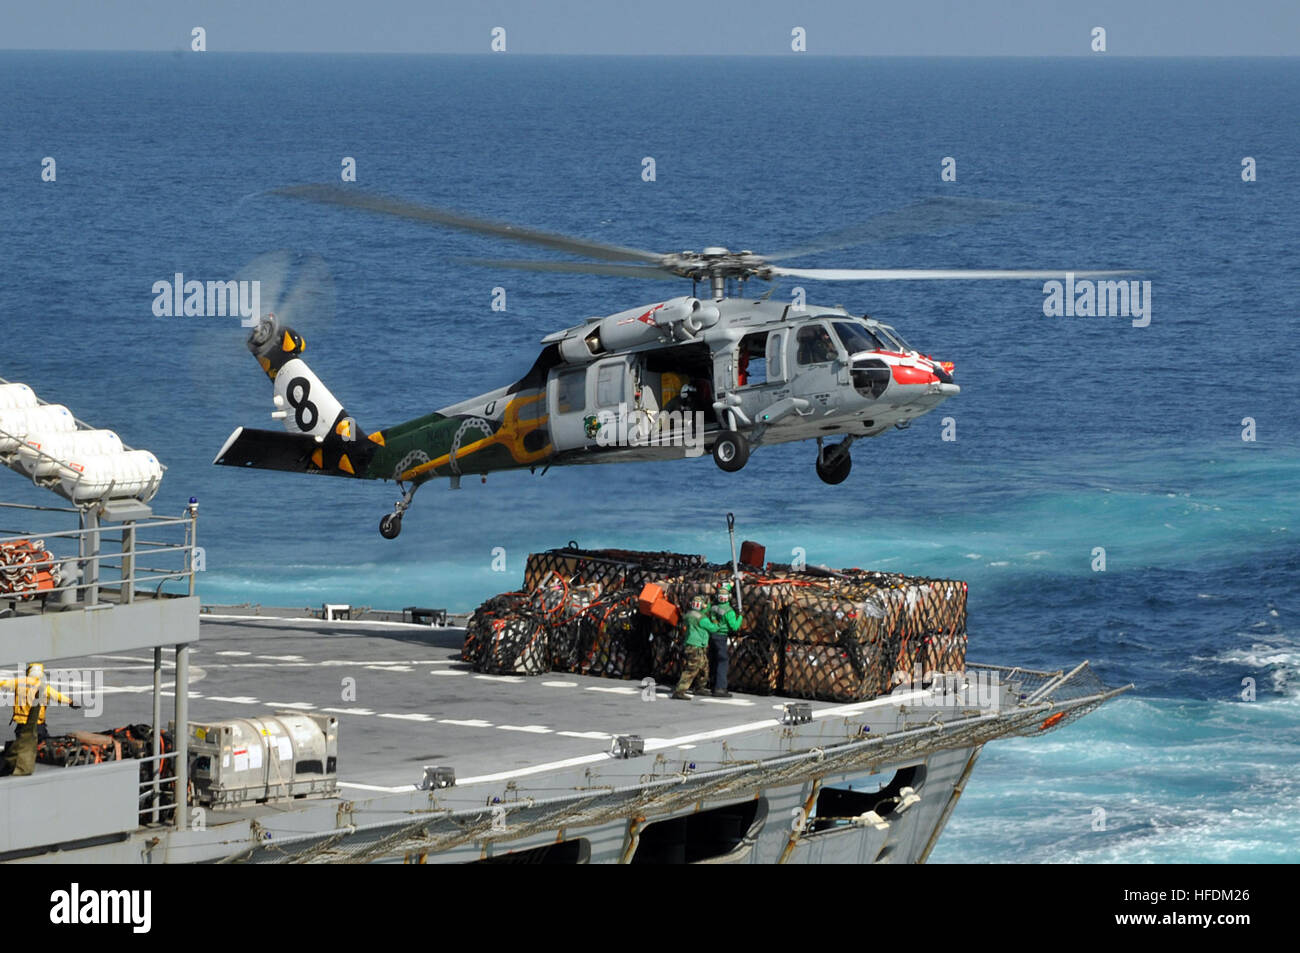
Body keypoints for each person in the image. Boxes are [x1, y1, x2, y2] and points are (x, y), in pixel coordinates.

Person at [1, 663, 76, 777]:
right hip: (37, 723)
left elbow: (3, 684)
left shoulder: (18, 682)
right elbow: (57, 696)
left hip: (21, 722)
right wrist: (70, 702)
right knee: (41, 743)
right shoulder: (42, 686)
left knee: (23, 742)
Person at [673, 597, 719, 700]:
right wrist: (716, 620)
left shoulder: (688, 615)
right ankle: (679, 691)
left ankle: (700, 687)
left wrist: (708, 607)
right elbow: (713, 628)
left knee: (704, 667)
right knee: (692, 668)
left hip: (692, 644)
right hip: (696, 645)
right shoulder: (702, 618)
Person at [709, 581, 743, 698]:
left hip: (712, 636)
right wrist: (740, 617)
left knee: (712, 660)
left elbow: (722, 591)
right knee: (723, 661)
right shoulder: (729, 611)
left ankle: (710, 684)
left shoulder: (713, 607)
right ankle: (720, 688)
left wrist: (730, 584)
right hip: (721, 636)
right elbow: (734, 626)